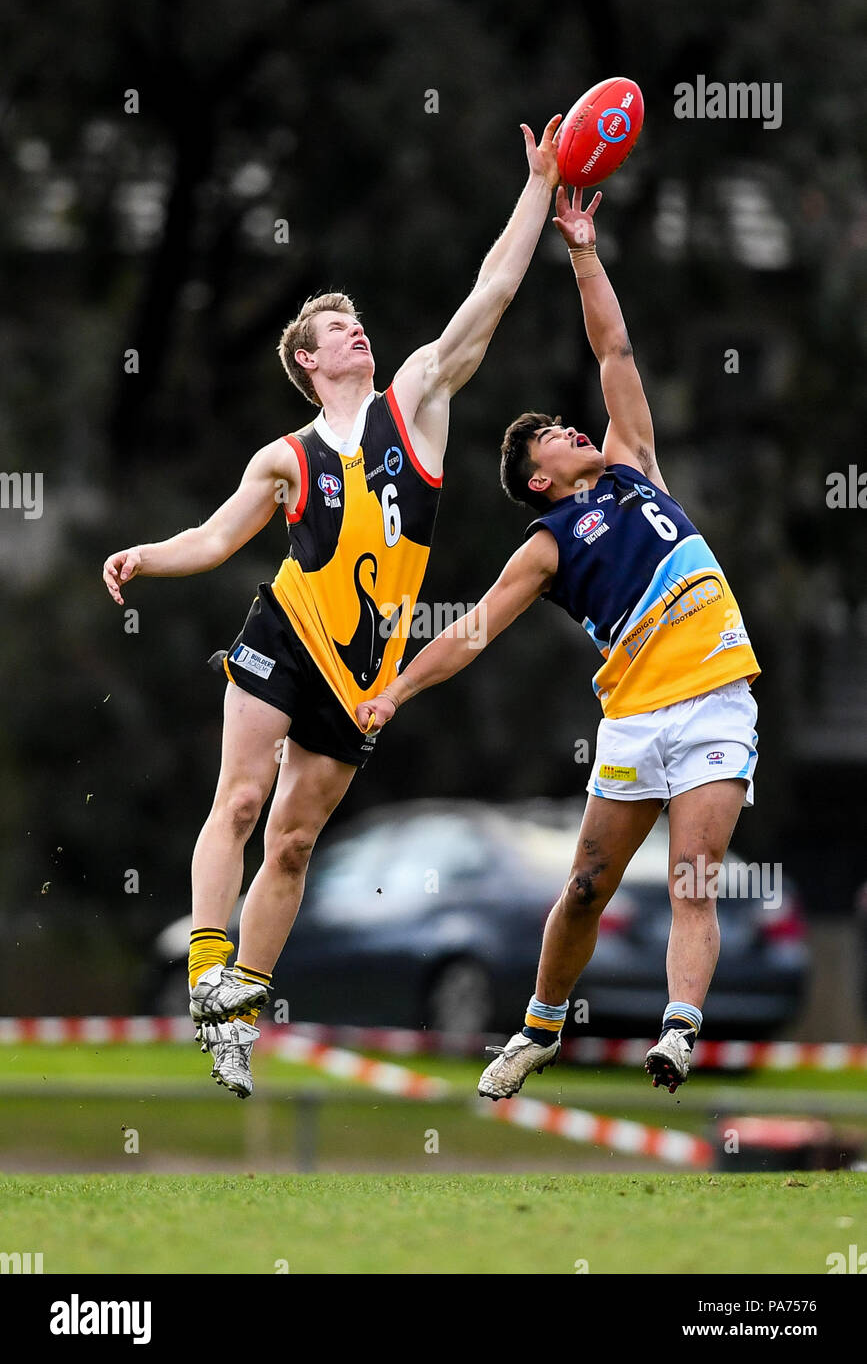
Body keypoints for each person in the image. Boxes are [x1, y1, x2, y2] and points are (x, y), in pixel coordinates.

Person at [102, 118, 562, 1098]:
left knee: (297, 841)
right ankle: (205, 979)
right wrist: (148, 556)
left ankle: (241, 1008)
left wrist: (538, 186)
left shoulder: (418, 404)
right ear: (309, 361)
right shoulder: (285, 456)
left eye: (358, 321)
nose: (358, 329)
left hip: (364, 672)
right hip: (284, 630)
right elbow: (217, 539)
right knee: (238, 799)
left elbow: (494, 293)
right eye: (336, 327)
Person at [357, 186, 761, 1097]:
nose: (575, 431)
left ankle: (677, 1032)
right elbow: (469, 633)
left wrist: (581, 247)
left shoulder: (633, 464)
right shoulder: (543, 548)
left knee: (693, 876)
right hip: (632, 716)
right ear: (539, 478)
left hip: (716, 698)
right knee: (584, 888)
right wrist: (394, 691)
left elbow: (611, 346)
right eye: (555, 437)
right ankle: (538, 1031)